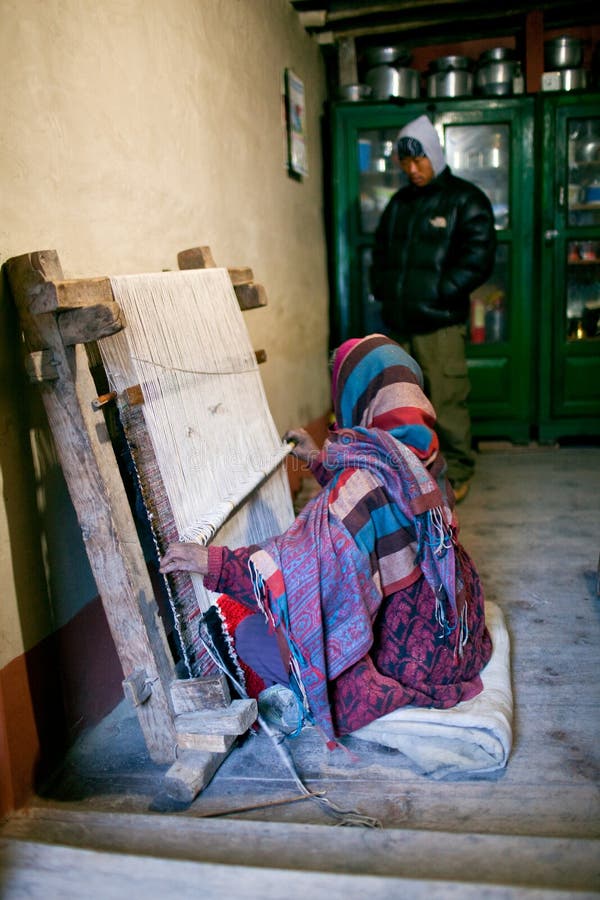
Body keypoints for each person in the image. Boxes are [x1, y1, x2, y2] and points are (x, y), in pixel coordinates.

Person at [159, 335, 492, 745]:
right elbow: (379, 504)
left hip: (402, 664)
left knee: (251, 634)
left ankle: (310, 698)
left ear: (357, 398)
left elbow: (303, 568)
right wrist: (318, 459)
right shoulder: (423, 453)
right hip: (451, 640)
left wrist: (214, 562)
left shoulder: (361, 483)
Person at [370, 115, 497, 503]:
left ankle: (457, 472)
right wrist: (384, 291)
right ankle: (410, 472)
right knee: (400, 401)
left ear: (435, 155)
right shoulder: (399, 203)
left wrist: (439, 292)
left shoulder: (465, 199)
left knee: (447, 401)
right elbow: (380, 254)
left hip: (440, 325)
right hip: (400, 324)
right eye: (405, 162)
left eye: (419, 160)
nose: (412, 170)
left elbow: (478, 258)